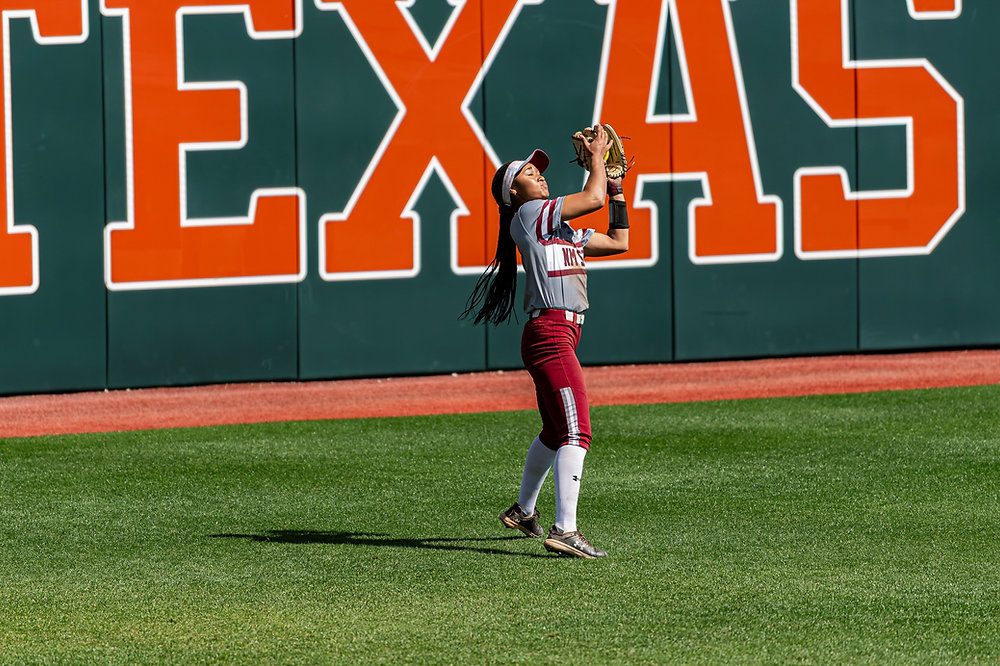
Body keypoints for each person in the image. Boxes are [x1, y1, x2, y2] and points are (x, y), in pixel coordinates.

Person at [461, 125, 629, 558]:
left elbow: (619, 241)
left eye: (540, 171)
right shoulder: (529, 216)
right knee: (578, 432)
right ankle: (566, 530)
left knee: (557, 431)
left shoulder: (559, 229)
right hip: (551, 333)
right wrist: (597, 159)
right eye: (529, 174)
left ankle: (523, 511)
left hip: (557, 334)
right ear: (512, 193)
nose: (540, 175)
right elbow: (587, 199)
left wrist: (616, 189)